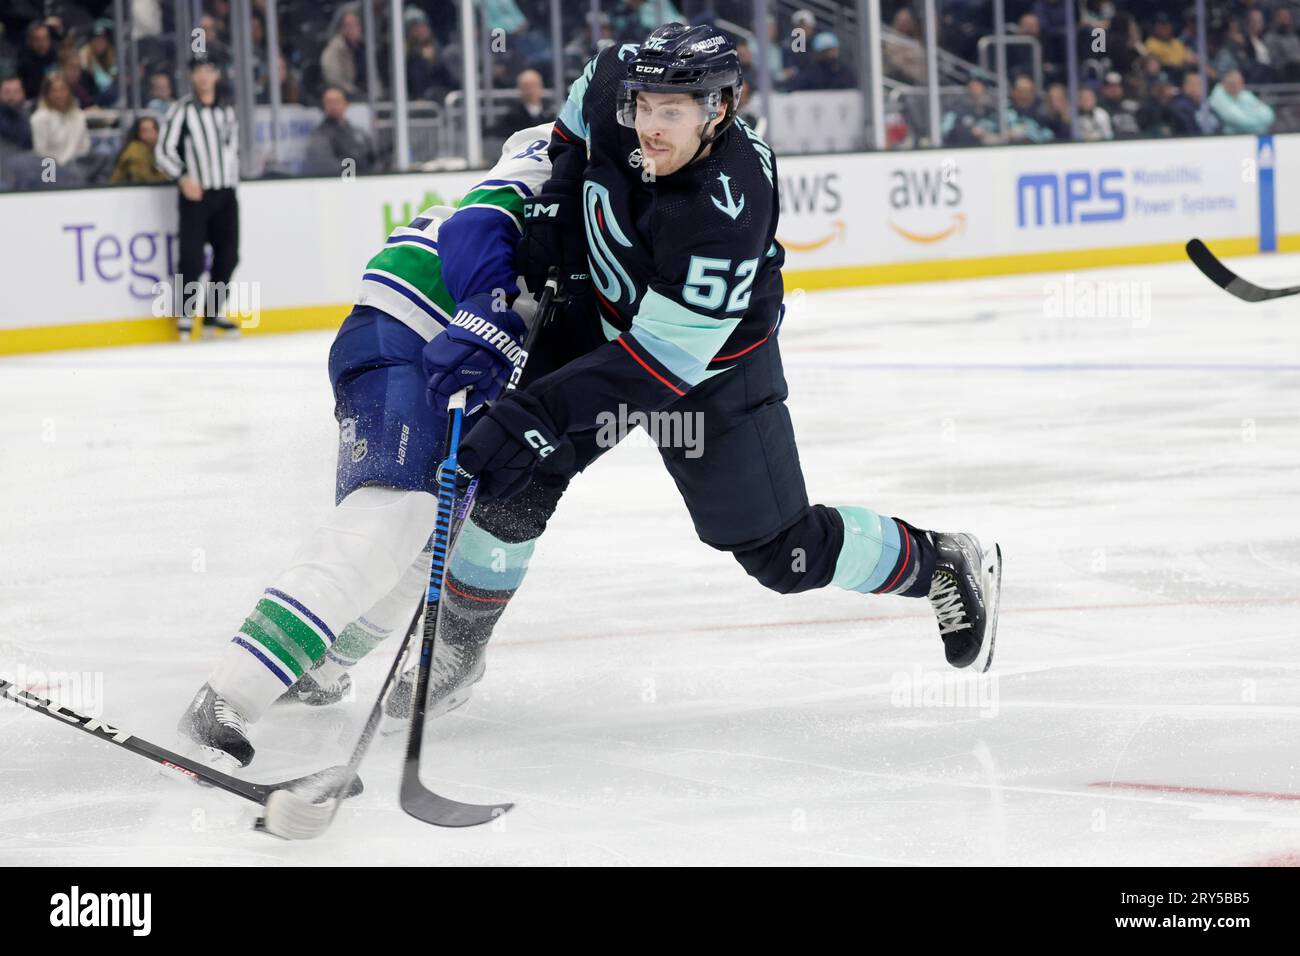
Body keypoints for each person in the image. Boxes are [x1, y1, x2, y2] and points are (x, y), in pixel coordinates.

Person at [378, 23, 1002, 725]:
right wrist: (555, 210)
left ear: (721, 108)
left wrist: (533, 416)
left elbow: (655, 365)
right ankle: (458, 650)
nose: (648, 126)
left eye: (671, 111)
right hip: (599, 317)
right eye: (643, 106)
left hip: (705, 372)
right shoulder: (617, 74)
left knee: (780, 553)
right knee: (515, 485)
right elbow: (570, 135)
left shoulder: (728, 205)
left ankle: (938, 561)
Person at [176, 123, 556, 768]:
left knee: (431, 539)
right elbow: (499, 201)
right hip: (409, 328)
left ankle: (317, 666)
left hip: (453, 355)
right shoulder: (572, 148)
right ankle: (231, 691)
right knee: (398, 507)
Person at [155, 56, 241, 338]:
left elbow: (231, 149)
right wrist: (182, 177)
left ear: (216, 75)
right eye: (197, 72)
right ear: (192, 77)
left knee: (228, 255)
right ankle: (184, 313)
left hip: (225, 192)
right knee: (191, 257)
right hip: (196, 194)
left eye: (208, 70)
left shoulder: (227, 111)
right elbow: (163, 150)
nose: (202, 77)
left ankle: (212, 314)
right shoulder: (182, 110)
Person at [303, 85, 378, 175]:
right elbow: (324, 166)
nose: (334, 106)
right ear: (324, 106)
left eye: (337, 101)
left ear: (346, 104)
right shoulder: (319, 136)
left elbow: (373, 159)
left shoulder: (358, 133)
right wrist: (356, 167)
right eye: (329, 102)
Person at [30, 73, 89, 181]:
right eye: (54, 90)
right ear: (47, 94)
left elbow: (84, 147)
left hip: (76, 166)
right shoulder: (39, 118)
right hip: (49, 171)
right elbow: (40, 152)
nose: (59, 95)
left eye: (63, 89)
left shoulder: (79, 116)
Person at [1208, 68, 1275, 134]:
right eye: (1232, 84)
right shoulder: (1218, 96)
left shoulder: (1245, 94)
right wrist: (1259, 123)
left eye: (1239, 83)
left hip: (1251, 135)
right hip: (1227, 138)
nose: (1237, 86)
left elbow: (1269, 115)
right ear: (1224, 83)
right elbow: (1239, 120)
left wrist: (1250, 118)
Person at [110, 115, 168, 183]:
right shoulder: (135, 150)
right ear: (138, 133)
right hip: (125, 191)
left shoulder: (158, 149)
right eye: (144, 130)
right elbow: (144, 178)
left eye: (152, 129)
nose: (149, 134)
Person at [491, 68, 547, 136]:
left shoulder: (550, 113)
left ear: (541, 86)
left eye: (533, 85)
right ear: (520, 89)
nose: (530, 91)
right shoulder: (511, 118)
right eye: (526, 87)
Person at [0, 73, 32, 151]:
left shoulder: (29, 117)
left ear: (23, 94)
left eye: (16, 92)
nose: (11, 97)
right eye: (7, 92)